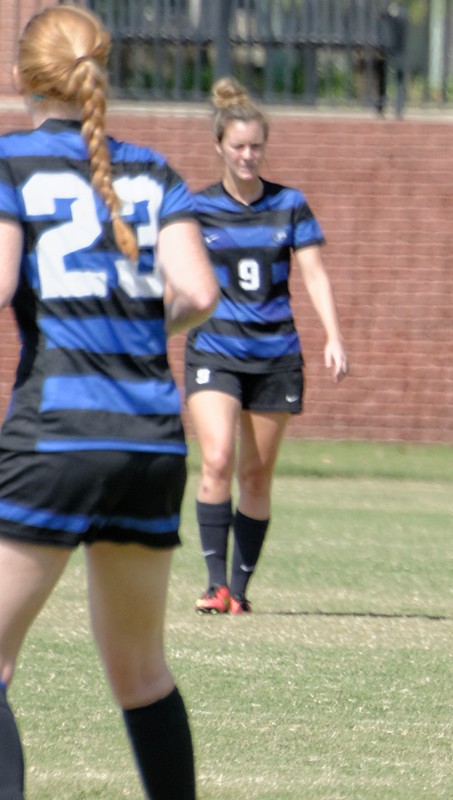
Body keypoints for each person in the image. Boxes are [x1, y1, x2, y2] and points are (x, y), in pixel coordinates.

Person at [0, 6, 220, 798]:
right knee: (139, 672)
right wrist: (127, 319)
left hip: (57, 434)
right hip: (151, 440)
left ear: (23, 78)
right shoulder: (154, 172)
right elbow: (197, 291)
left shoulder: (10, 163)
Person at [186, 77, 350, 616]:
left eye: (256, 145)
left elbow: (315, 276)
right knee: (215, 458)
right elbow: (176, 275)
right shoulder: (196, 208)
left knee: (255, 475)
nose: (248, 155)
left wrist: (333, 335)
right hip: (214, 350)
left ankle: (239, 589)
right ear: (220, 147)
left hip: (275, 356)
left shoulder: (290, 205)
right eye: (238, 146)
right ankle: (214, 585)